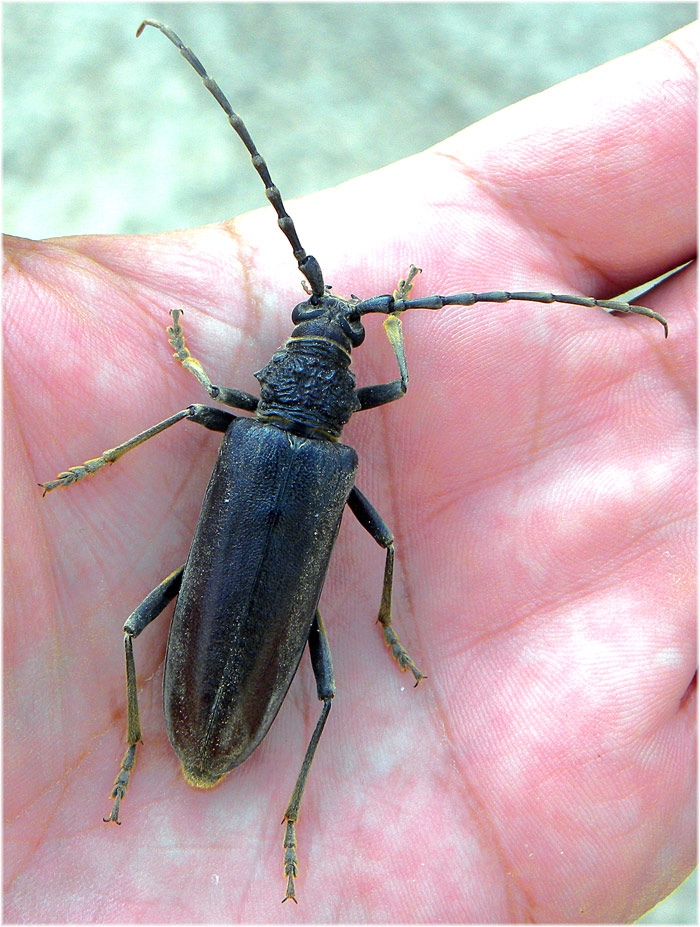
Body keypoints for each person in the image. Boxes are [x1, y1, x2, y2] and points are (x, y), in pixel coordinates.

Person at [4, 21, 695, 922]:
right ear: (339, 374)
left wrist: (141, 409)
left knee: (140, 626)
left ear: (291, 353)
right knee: (314, 677)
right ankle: (271, 791)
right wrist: (398, 316)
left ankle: (175, 768)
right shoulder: (333, 463)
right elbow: (392, 385)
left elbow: (204, 393)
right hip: (242, 656)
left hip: (226, 636)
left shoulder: (241, 427)